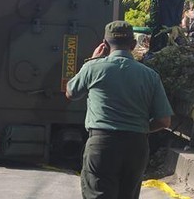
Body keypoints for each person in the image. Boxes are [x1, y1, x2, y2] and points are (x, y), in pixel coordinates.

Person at [66, 21, 173, 199]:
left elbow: (71, 92)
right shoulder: (150, 76)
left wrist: (92, 60)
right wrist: (140, 128)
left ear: (105, 44)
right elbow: (164, 121)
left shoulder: (93, 67)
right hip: (136, 146)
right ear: (133, 44)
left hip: (102, 144)